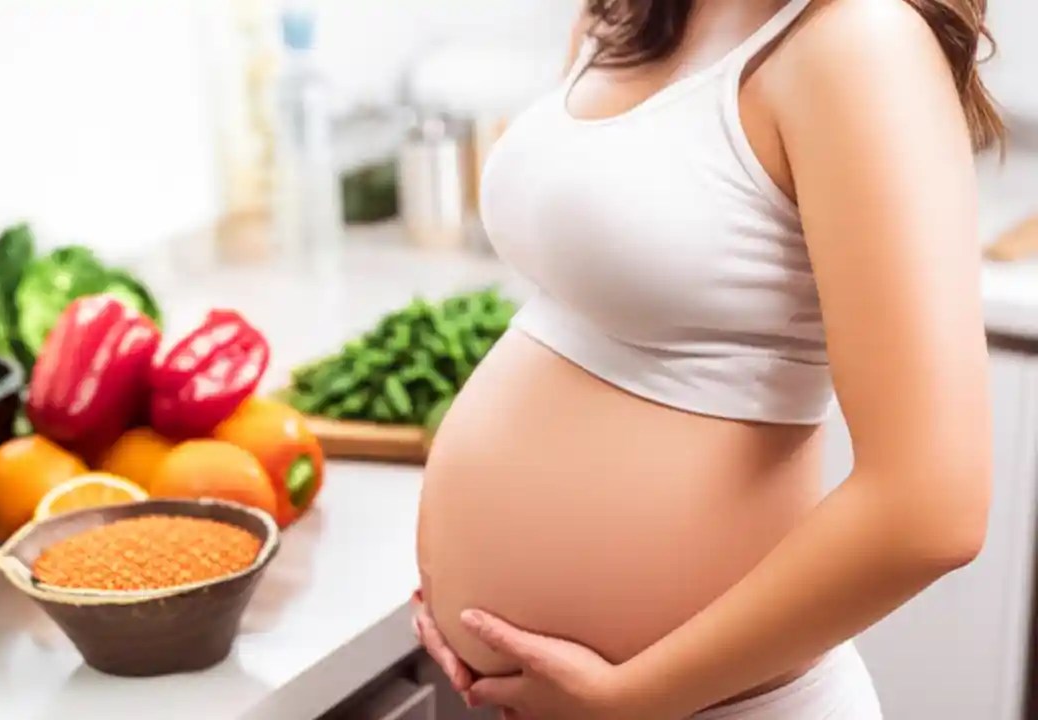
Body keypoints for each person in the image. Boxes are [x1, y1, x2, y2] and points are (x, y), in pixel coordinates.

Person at [411, 0, 1003, 717]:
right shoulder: (627, 13)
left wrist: (633, 700)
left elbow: (930, 507)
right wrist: (463, 577)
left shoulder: (859, 39)